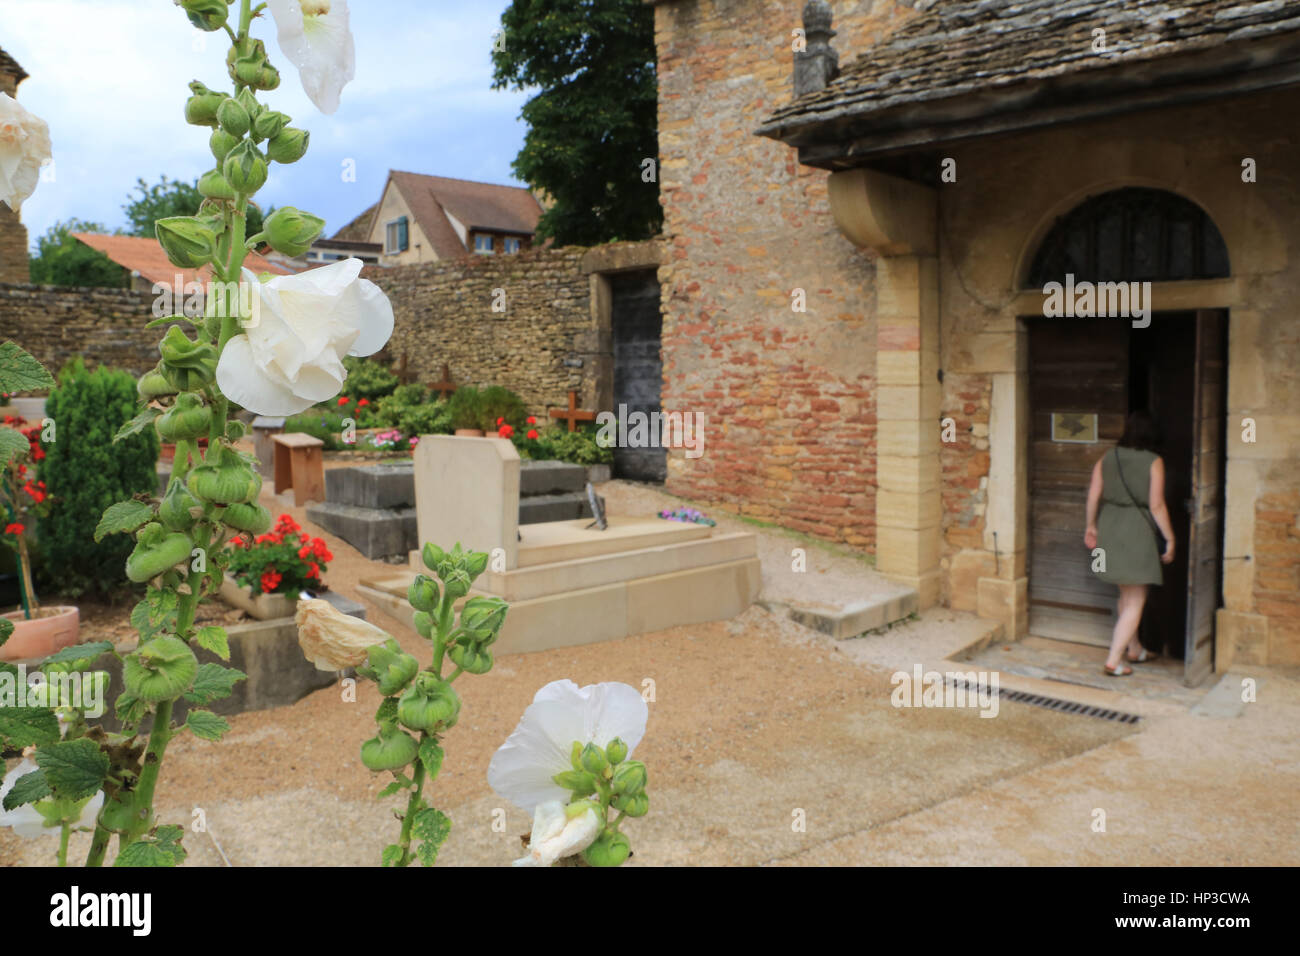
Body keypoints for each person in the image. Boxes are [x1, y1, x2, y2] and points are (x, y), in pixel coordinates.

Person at [1084, 411, 1176, 676]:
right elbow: (1156, 505)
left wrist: (1090, 525)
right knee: (1136, 598)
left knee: (1125, 592)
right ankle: (1114, 660)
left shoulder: (1107, 457)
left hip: (1108, 526)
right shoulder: (1153, 461)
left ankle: (1134, 649)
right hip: (1136, 530)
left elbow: (1093, 494)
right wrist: (1169, 538)